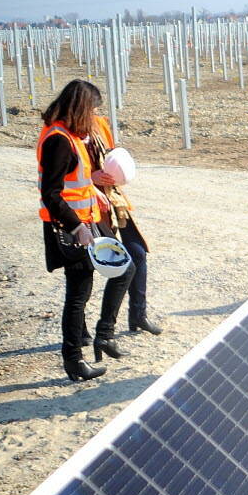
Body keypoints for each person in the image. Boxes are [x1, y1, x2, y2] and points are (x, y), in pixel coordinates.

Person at [36, 79, 130, 383]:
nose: (94, 116)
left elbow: (77, 179)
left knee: (121, 270)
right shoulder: (58, 140)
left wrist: (93, 190)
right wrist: (77, 227)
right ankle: (74, 360)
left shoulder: (71, 136)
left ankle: (99, 338)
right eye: (91, 109)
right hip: (69, 228)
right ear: (80, 108)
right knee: (78, 295)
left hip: (85, 221)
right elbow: (51, 193)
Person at [86, 113, 161, 336]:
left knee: (137, 253)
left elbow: (111, 155)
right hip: (88, 208)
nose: (92, 111)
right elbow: (62, 176)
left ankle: (138, 315)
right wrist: (90, 178)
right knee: (85, 272)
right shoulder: (64, 135)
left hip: (113, 200)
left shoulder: (99, 124)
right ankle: (87, 332)